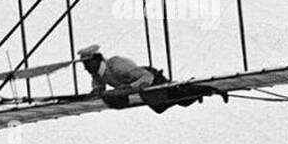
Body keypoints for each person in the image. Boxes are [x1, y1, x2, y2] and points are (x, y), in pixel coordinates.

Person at [77, 45, 223, 113]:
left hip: (152, 79)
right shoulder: (97, 74)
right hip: (143, 87)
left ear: (96, 60)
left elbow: (146, 76)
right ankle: (196, 92)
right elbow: (99, 88)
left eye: (87, 64)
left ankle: (202, 89)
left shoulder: (116, 65)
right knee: (161, 107)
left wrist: (129, 87)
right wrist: (95, 92)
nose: (86, 68)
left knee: (177, 98)